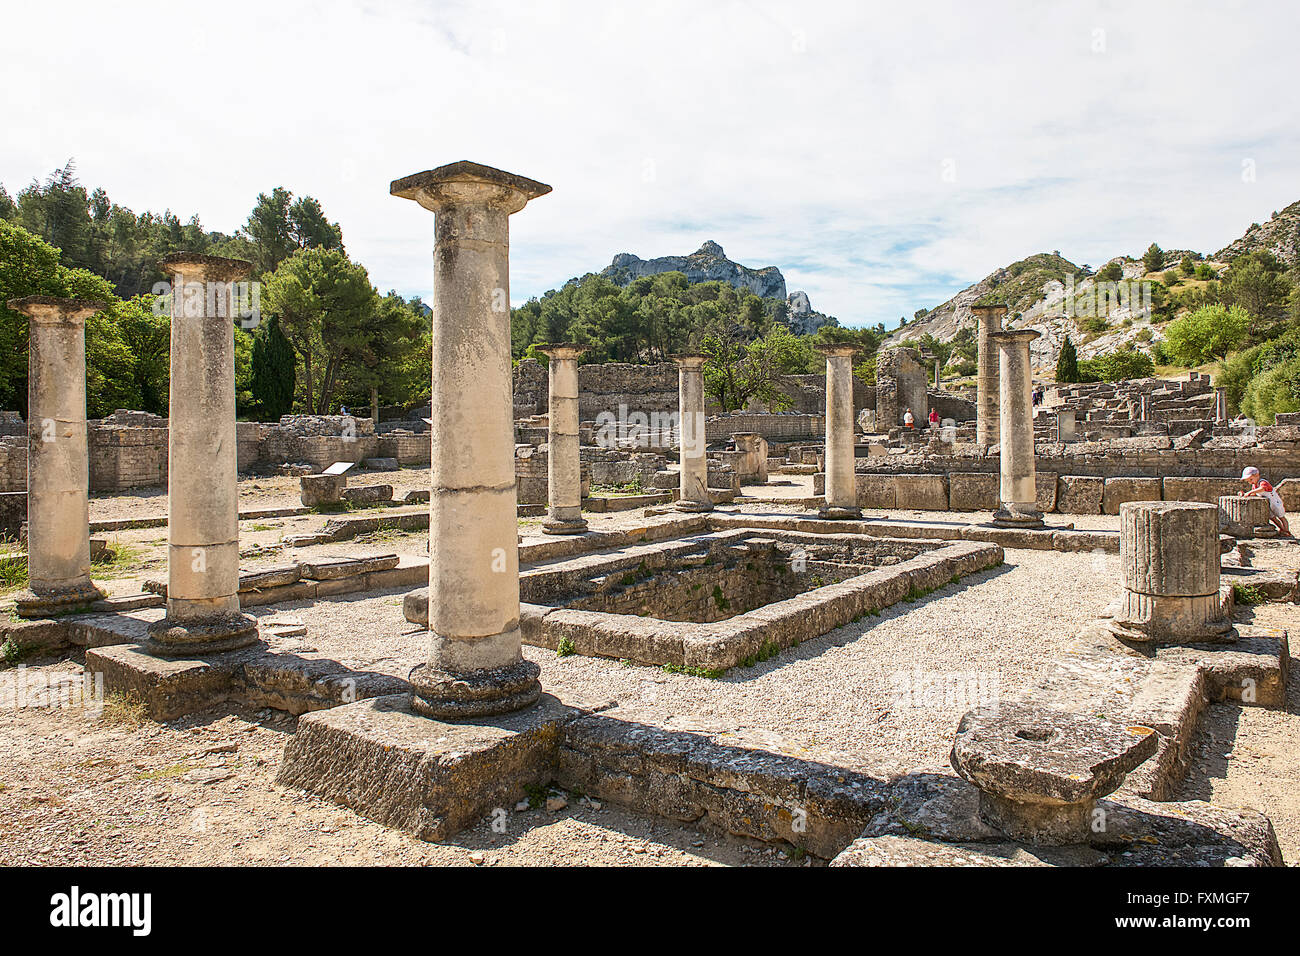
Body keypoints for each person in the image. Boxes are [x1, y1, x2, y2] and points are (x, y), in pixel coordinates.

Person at [1241, 466, 1291, 537]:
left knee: (1281, 517)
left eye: (1251, 479)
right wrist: (1245, 494)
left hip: (1275, 502)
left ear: (1257, 476)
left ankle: (1286, 530)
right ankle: (1282, 529)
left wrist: (1250, 492)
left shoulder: (1262, 482)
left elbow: (1263, 488)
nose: (1250, 482)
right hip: (1267, 504)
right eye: (1248, 481)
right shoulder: (1254, 485)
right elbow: (1254, 493)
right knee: (1272, 518)